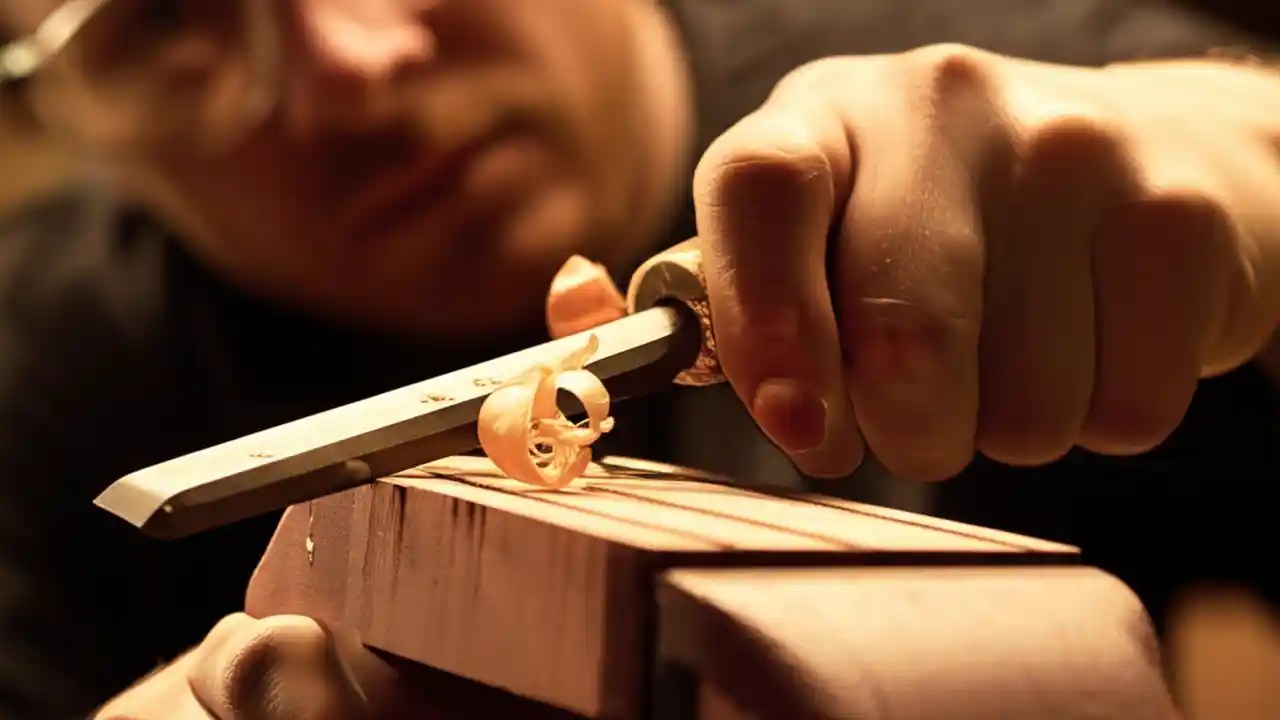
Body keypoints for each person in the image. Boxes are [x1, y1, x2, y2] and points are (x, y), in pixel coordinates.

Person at [0, 0, 1278, 717]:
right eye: (165, 22)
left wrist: (1247, 151)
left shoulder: (1006, 65)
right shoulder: (43, 355)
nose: (357, 67)